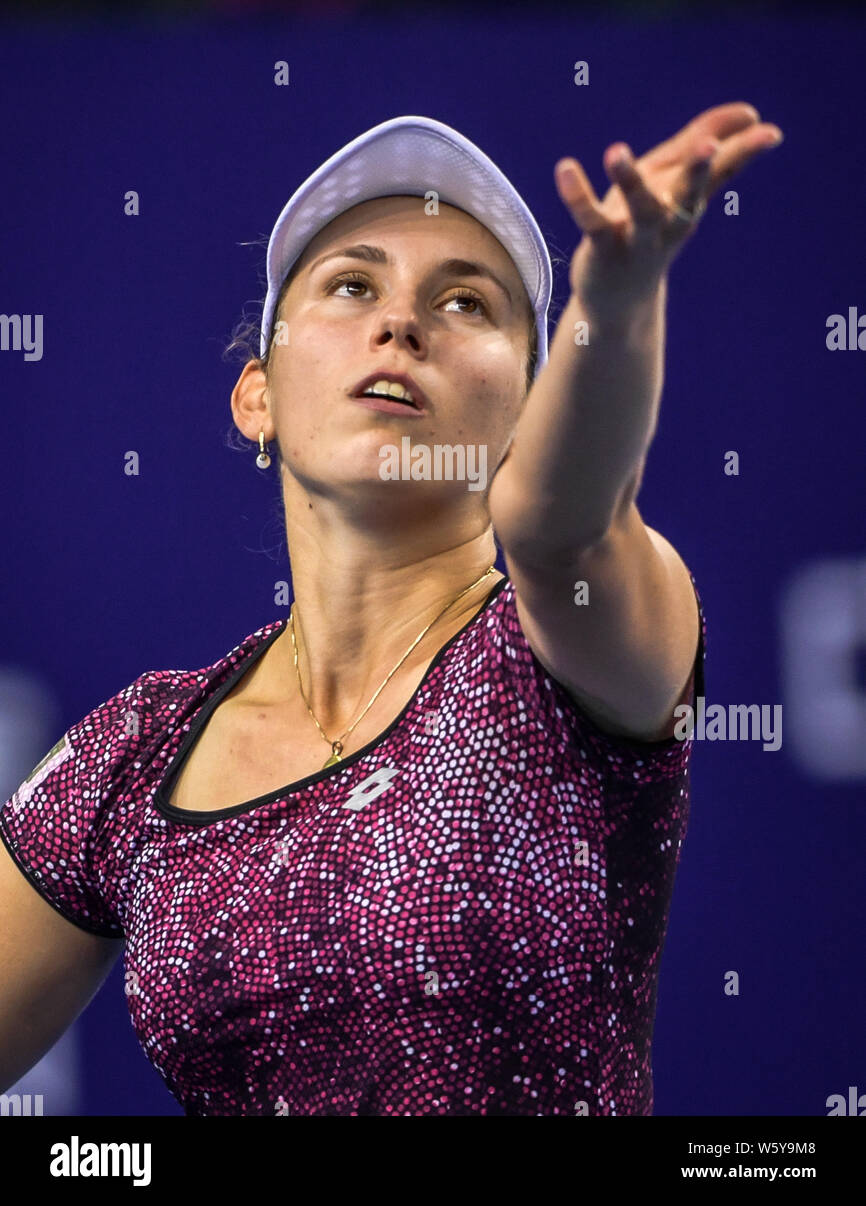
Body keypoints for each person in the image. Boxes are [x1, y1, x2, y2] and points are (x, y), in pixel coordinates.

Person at [0, 108, 782, 1116]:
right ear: (258, 398)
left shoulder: (559, 654)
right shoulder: (136, 753)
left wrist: (616, 299)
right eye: (352, 285)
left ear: (526, 419)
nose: (401, 321)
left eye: (465, 302)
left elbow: (560, 531)